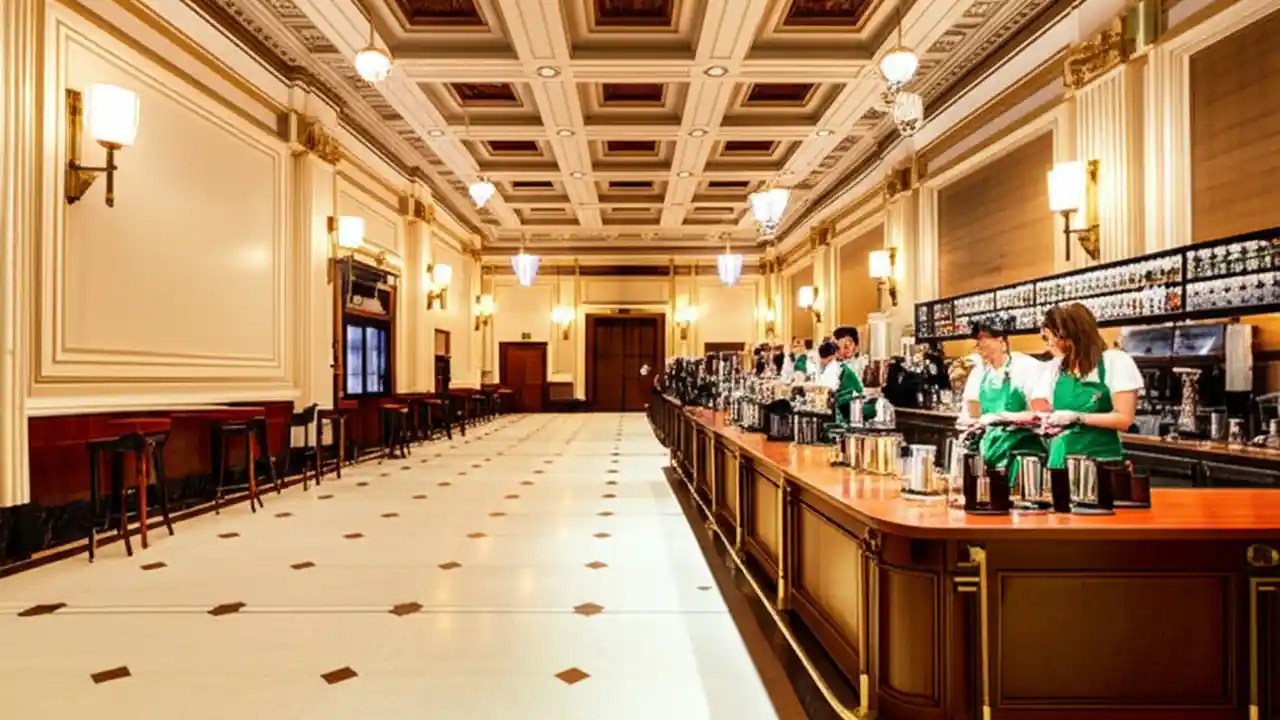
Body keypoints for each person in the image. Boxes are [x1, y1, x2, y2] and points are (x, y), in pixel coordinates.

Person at [1030, 303, 1143, 469]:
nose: (1048, 345)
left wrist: (1079, 418)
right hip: (1060, 461)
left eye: (1049, 338)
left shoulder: (1115, 361)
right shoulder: (1056, 368)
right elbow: (1039, 405)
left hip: (1100, 462)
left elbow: (1124, 419)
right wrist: (1044, 420)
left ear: (1069, 337)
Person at [961, 322, 1046, 476]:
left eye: (984, 340)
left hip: (1021, 456)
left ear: (1001, 342)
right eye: (978, 343)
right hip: (990, 451)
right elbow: (973, 414)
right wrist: (973, 426)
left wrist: (1003, 418)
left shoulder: (1026, 367)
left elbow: (1041, 414)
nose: (980, 346)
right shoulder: (979, 373)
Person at [831, 326, 865, 424]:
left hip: (856, 411)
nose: (846, 348)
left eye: (850, 343)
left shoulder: (862, 364)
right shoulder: (834, 366)